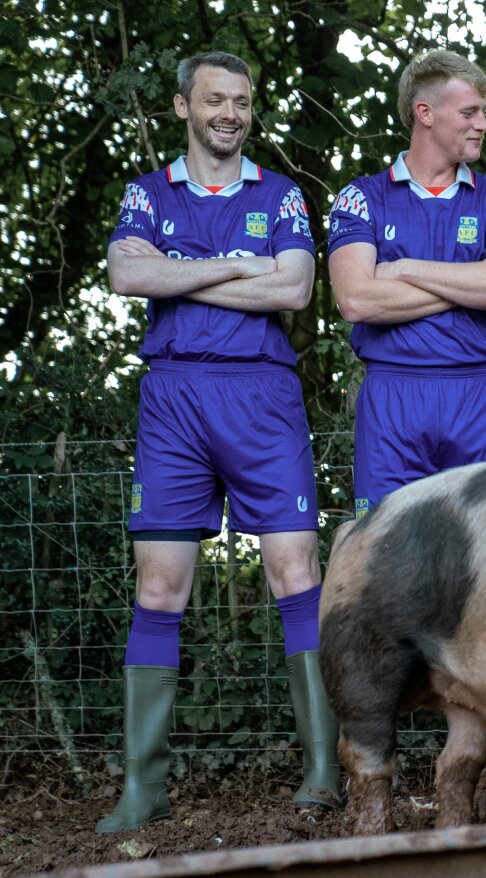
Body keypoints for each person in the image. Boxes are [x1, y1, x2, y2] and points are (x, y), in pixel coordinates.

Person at [102, 51, 336, 830]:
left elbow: (295, 288)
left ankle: (321, 769)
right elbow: (126, 277)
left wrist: (178, 268)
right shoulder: (147, 193)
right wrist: (235, 267)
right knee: (159, 588)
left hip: (262, 396)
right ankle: (143, 786)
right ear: (182, 107)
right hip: (172, 399)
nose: (229, 113)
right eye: (214, 100)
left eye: (240, 101)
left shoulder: (281, 194)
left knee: (295, 572)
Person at [326, 49, 486, 522]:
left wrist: (402, 268)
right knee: (387, 557)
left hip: (478, 392)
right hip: (393, 394)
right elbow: (357, 299)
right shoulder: (361, 197)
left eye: (483, 112)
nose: (482, 123)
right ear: (426, 113)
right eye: (469, 112)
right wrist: (468, 283)